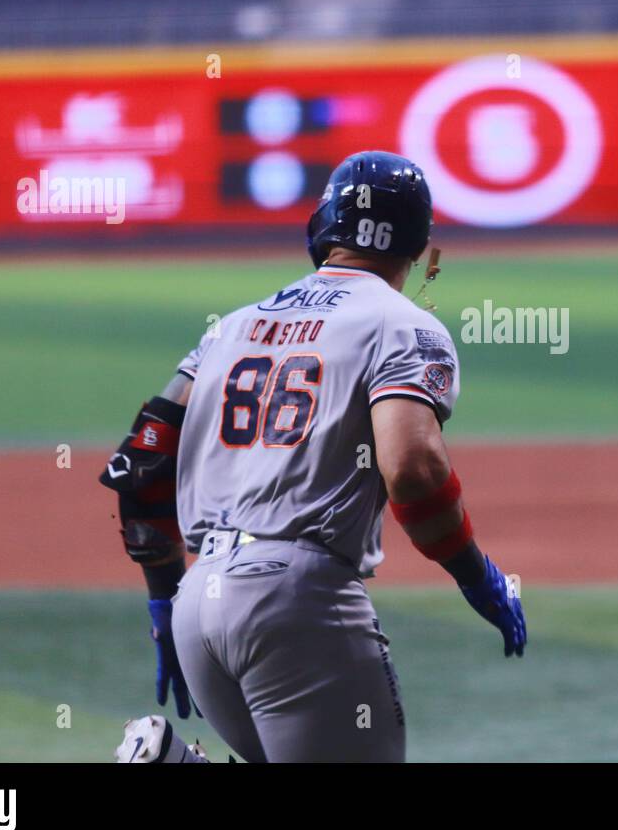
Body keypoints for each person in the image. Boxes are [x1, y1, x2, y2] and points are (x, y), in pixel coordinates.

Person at [100, 150, 526, 762]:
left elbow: (141, 464)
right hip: (297, 598)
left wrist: (165, 598)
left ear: (324, 225)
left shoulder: (231, 327)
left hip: (202, 598)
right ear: (421, 247)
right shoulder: (403, 325)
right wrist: (474, 574)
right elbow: (412, 469)